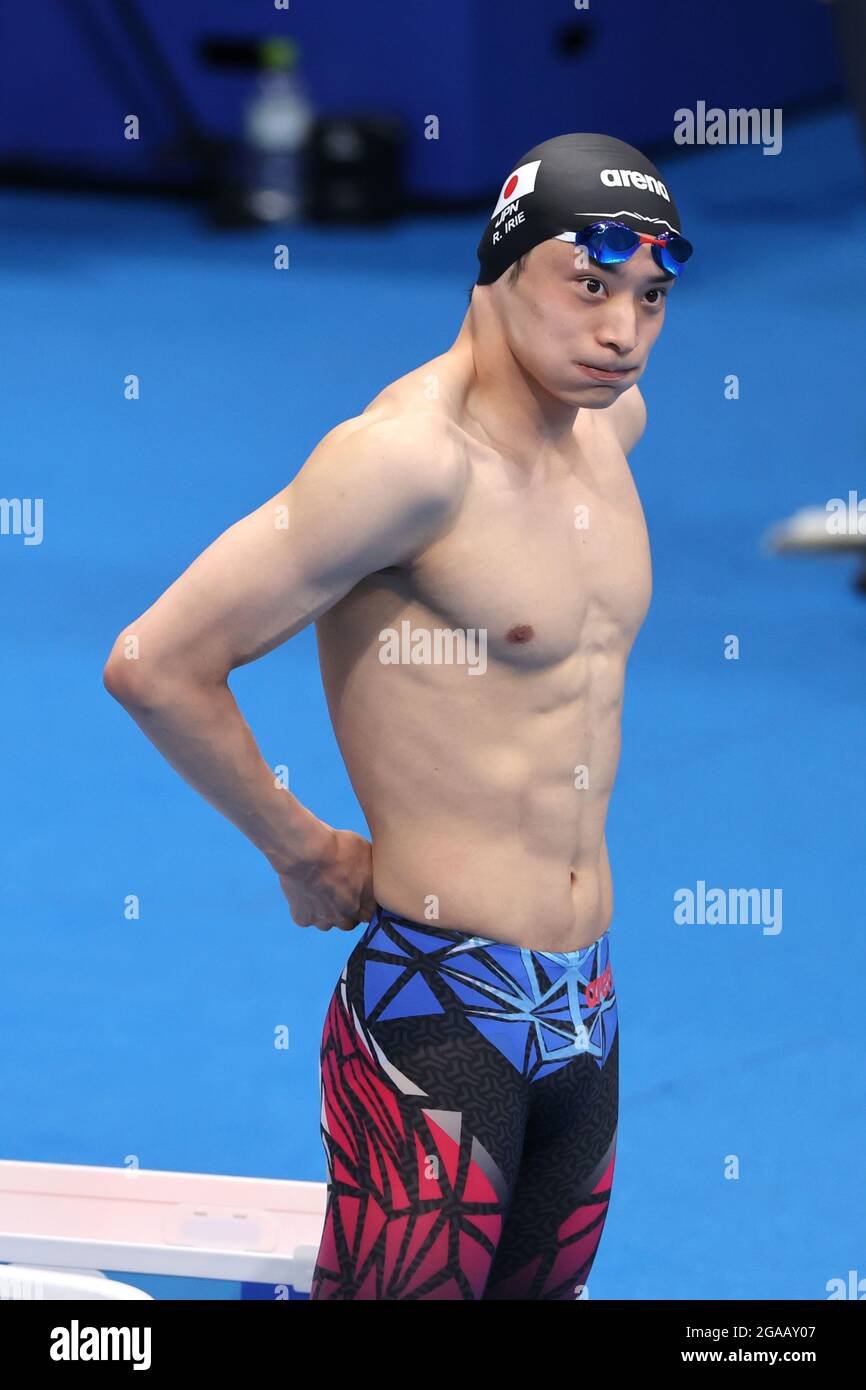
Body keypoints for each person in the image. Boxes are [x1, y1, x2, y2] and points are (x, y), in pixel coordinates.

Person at [103, 132, 693, 1301]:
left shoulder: (608, 432)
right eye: (589, 285)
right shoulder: (402, 464)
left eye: (649, 297)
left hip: (586, 1004)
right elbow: (155, 662)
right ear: (498, 269)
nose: (622, 332)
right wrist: (302, 847)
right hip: (437, 1006)